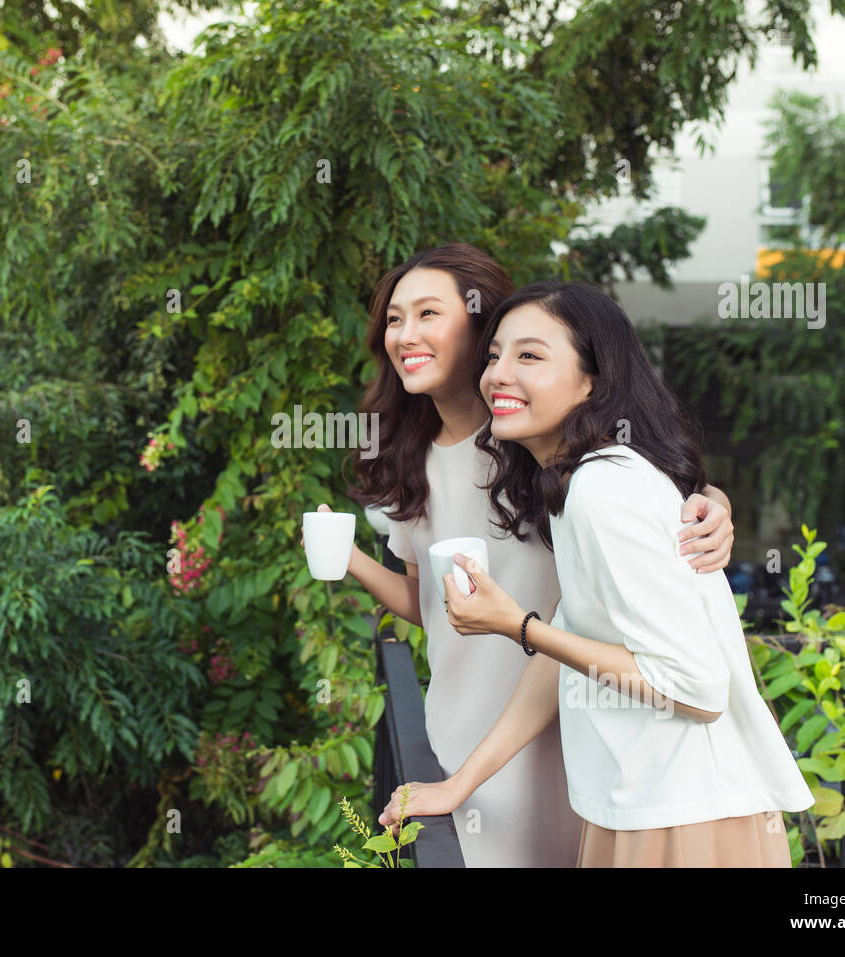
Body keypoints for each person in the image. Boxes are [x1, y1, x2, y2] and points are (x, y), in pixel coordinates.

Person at [309, 245, 735, 866]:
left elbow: (639, 486)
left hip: (561, 732)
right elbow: (430, 604)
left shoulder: (533, 435)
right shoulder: (409, 457)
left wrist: (710, 503)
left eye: (429, 314)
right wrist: (349, 558)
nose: (405, 335)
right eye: (394, 319)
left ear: (482, 322)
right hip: (456, 732)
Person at [377, 280, 813, 866]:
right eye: (495, 355)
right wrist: (461, 785)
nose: (499, 373)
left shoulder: (602, 486)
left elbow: (695, 688)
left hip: (682, 819)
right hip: (637, 805)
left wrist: (520, 627)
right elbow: (565, 649)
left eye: (529, 355)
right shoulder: (578, 483)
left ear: (593, 380)